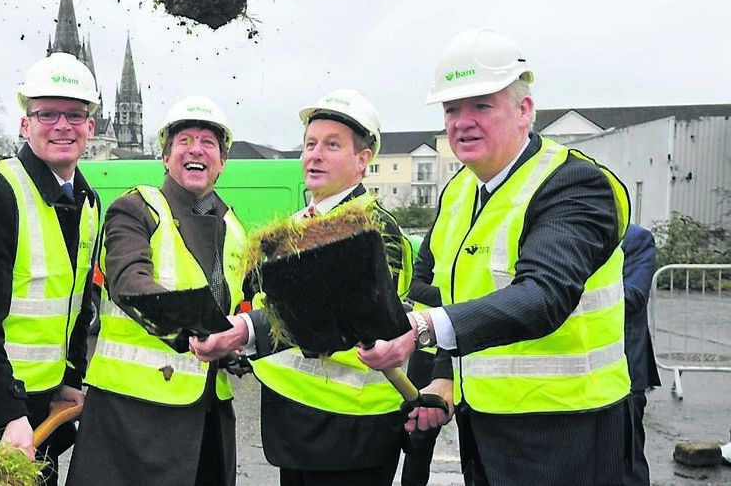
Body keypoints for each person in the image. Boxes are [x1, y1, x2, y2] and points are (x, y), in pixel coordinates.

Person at [358, 29, 632, 486]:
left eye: (481, 106)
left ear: (525, 110)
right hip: (484, 423)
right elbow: (432, 289)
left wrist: (421, 330)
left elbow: (544, 295)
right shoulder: (460, 191)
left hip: (571, 428)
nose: (462, 121)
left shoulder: (574, 183)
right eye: (451, 109)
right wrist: (444, 379)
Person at [67, 95, 249, 486]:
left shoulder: (234, 227)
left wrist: (243, 342)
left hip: (208, 416)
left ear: (222, 162)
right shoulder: (135, 208)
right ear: (165, 157)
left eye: (208, 143)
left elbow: (253, 304)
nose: (196, 149)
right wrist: (204, 334)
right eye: (184, 141)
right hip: (132, 417)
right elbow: (129, 282)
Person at [0, 53, 100, 485]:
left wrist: (69, 378)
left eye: (75, 114)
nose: (62, 125)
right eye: (47, 114)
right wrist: (5, 415)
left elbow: (77, 306)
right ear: (25, 125)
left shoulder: (87, 203)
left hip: (40, 408)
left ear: (91, 127)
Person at [248, 90, 413, 485]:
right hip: (299, 420)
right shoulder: (294, 224)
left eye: (332, 145)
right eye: (310, 144)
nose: (315, 154)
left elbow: (342, 315)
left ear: (362, 160)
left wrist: (248, 331)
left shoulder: (373, 229)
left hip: (351, 427)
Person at [400, 232, 445, 486]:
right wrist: (459, 296)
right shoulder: (444, 226)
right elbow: (414, 286)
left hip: (478, 349)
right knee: (419, 437)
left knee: (479, 443)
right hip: (428, 350)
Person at [622, 222, 661, 486]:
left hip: (626, 369)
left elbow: (634, 296)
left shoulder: (636, 238)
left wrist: (562, 288)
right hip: (577, 372)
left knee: (628, 464)